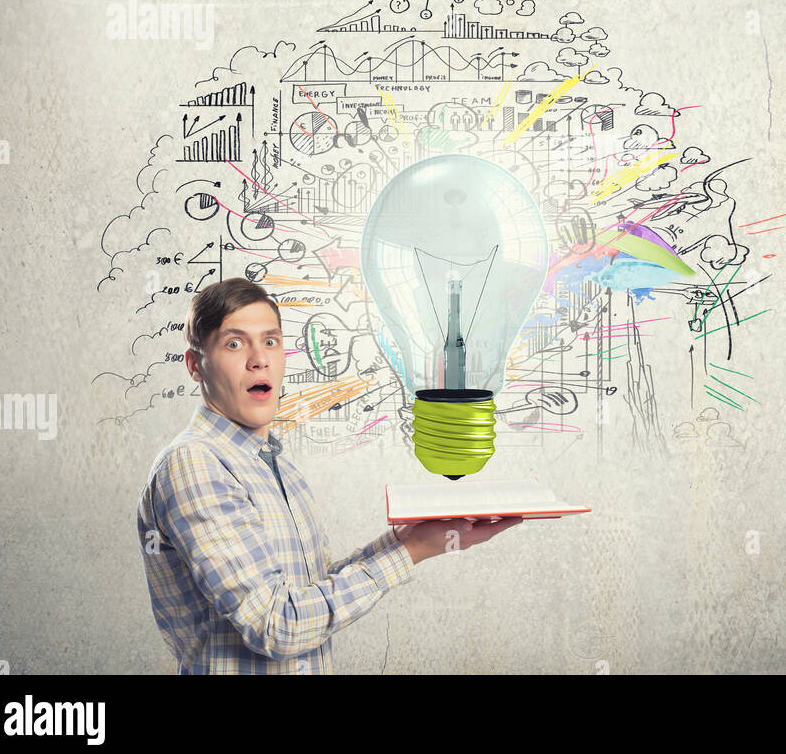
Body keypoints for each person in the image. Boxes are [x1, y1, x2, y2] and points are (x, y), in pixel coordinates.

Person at [136, 277, 520, 674]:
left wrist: (410, 538)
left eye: (270, 341)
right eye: (235, 343)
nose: (259, 359)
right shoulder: (194, 464)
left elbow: (306, 596)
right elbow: (278, 626)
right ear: (196, 365)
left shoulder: (273, 463)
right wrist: (412, 552)